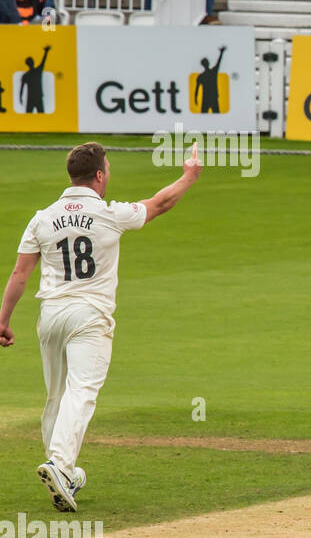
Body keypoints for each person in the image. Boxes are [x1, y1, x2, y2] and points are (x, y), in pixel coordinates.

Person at [0, 142, 203, 512]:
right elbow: (160, 204)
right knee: (83, 391)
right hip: (89, 316)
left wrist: (3, 320)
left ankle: (65, 473)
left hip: (51, 315)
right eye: (107, 169)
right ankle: (59, 466)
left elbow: (19, 273)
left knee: (56, 397)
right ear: (98, 175)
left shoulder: (42, 218)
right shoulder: (109, 213)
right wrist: (189, 175)